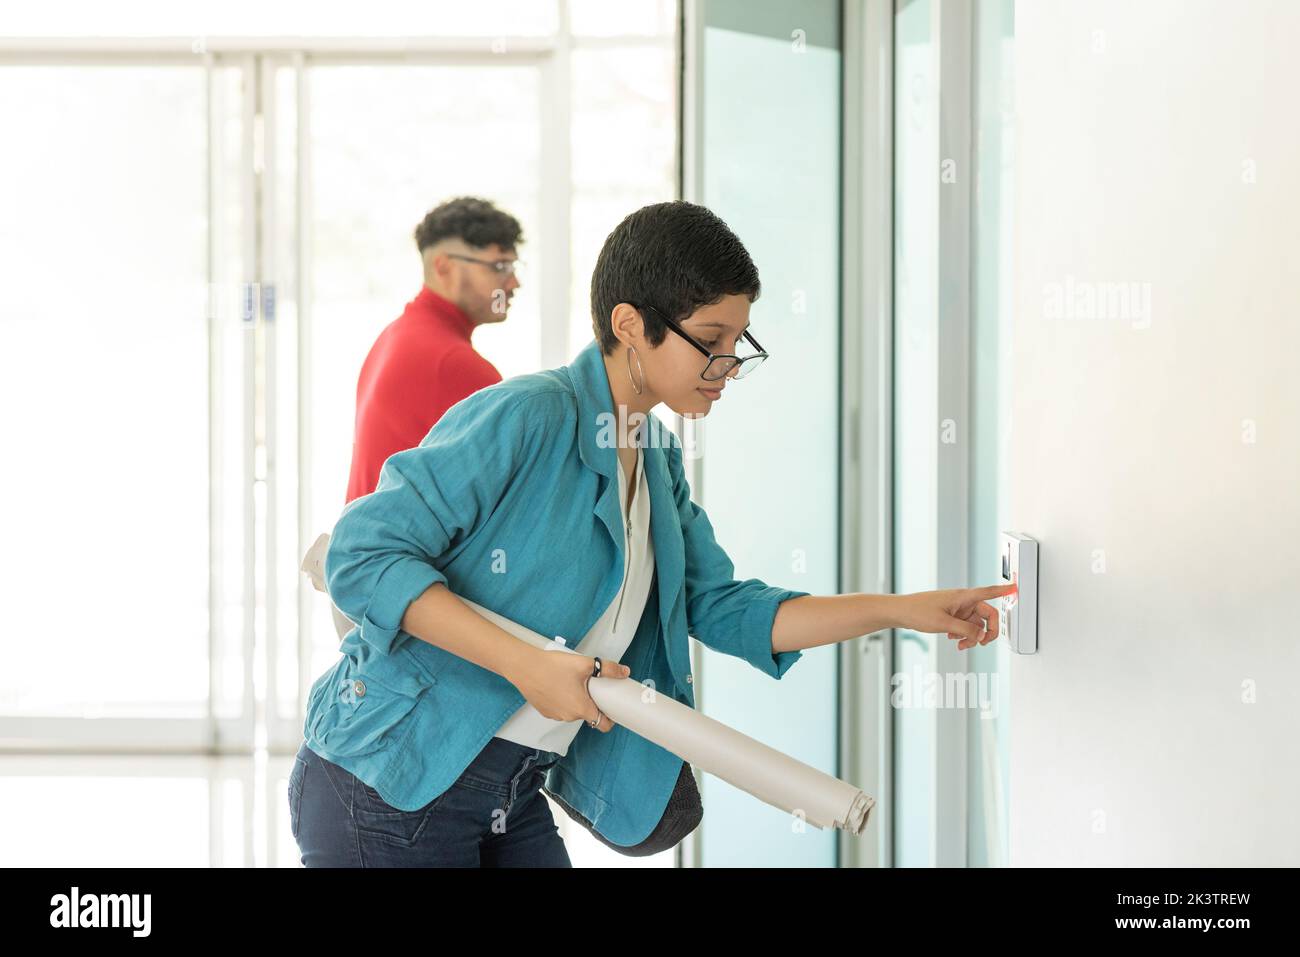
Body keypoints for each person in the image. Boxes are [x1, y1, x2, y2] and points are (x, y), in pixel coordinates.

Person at [288, 200, 1016, 867]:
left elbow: (729, 608)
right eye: (711, 340)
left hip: (508, 788)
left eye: (738, 341)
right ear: (632, 324)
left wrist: (900, 609)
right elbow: (362, 551)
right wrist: (527, 665)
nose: (727, 366)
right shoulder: (529, 415)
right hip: (385, 777)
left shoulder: (658, 459)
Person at [344, 196, 524, 504]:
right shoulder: (453, 363)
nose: (513, 282)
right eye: (499, 267)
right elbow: (516, 493)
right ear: (444, 266)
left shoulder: (396, 334)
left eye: (513, 266)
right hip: (401, 551)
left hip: (370, 546)